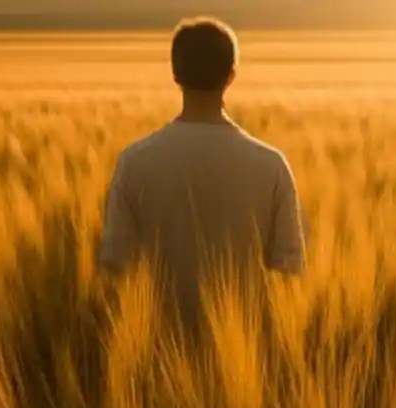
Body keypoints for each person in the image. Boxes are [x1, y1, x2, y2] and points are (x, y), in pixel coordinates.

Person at [98, 17, 306, 331]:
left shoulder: (134, 162)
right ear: (232, 75)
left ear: (175, 74)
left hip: (152, 351)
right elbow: (289, 275)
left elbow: (115, 269)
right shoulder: (272, 166)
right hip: (247, 353)